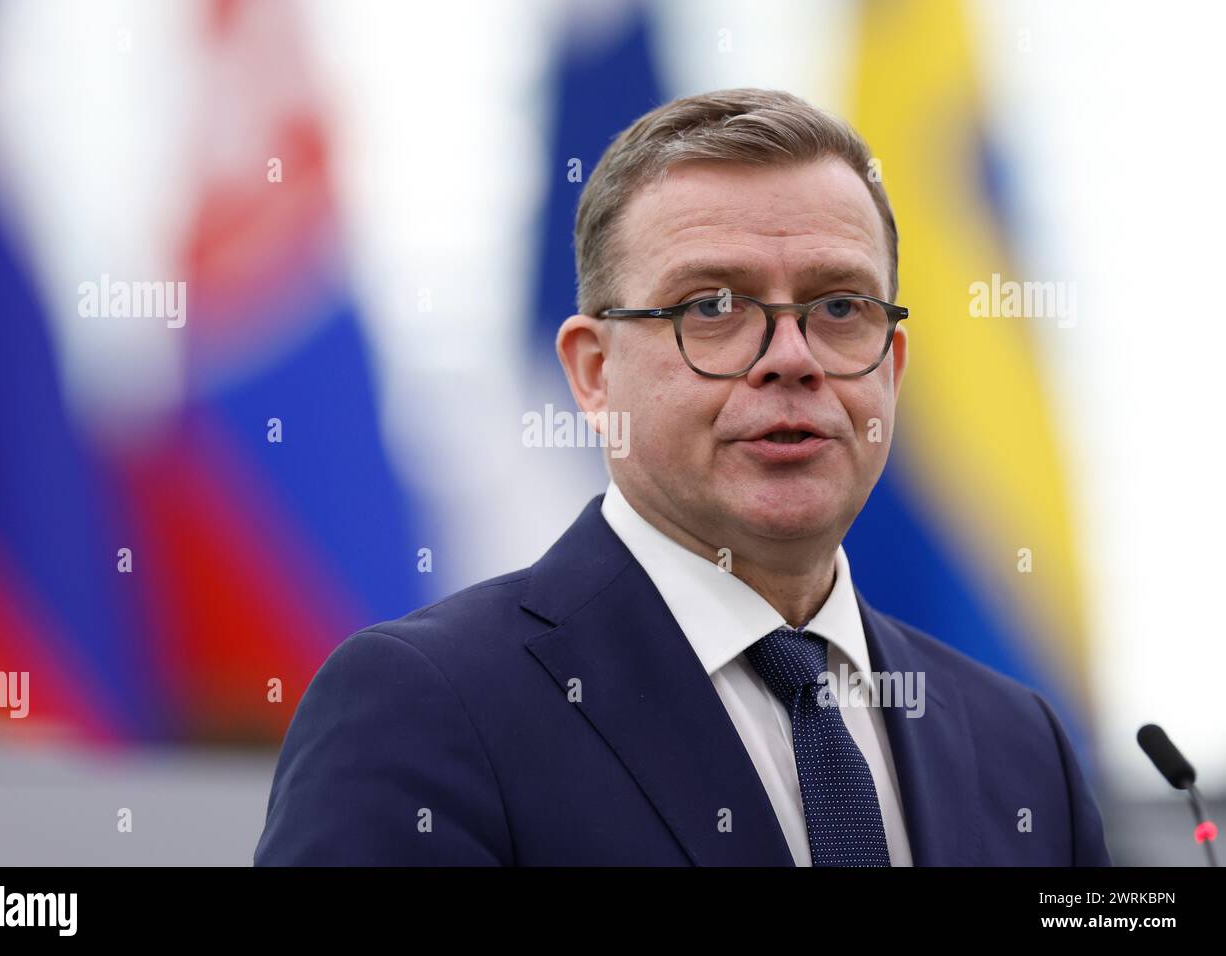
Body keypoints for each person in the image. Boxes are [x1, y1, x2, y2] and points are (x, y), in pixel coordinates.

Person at [254, 87, 1110, 866]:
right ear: (593, 372)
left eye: (842, 307)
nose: (792, 359)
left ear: (894, 365)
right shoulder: (425, 707)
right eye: (712, 307)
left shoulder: (1022, 744)